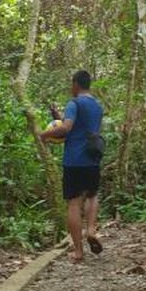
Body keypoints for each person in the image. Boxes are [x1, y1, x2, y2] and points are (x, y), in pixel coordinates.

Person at [39, 69, 104, 263]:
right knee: (92, 195)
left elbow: (67, 128)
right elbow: (85, 128)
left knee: (74, 203)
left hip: (74, 160)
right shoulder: (97, 106)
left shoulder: (73, 103)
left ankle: (78, 252)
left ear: (76, 84)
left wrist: (45, 135)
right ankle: (91, 230)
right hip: (93, 158)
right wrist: (58, 116)